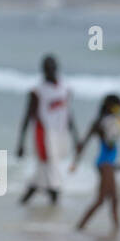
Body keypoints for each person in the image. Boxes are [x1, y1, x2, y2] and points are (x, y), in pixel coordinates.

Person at [17, 55, 77, 205]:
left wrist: (76, 136)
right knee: (51, 166)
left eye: (52, 68)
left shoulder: (65, 88)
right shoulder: (37, 91)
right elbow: (27, 116)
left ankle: (29, 195)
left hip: (61, 132)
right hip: (44, 132)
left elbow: (68, 113)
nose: (50, 71)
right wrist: (21, 142)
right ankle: (54, 200)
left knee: (45, 169)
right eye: (47, 69)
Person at [71, 94, 120, 234]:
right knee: (101, 199)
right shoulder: (102, 123)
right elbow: (105, 144)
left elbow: (83, 144)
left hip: (109, 163)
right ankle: (79, 226)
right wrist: (75, 163)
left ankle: (117, 227)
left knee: (114, 198)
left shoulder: (112, 121)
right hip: (105, 163)